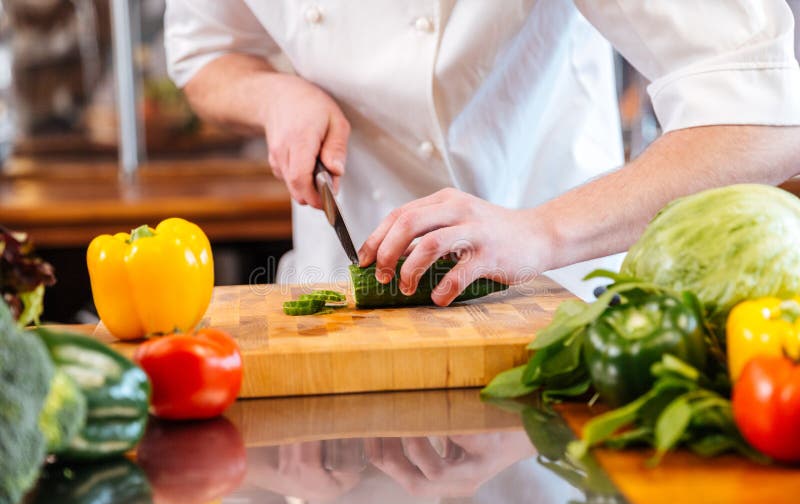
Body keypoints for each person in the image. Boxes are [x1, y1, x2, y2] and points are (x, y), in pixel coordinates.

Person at [165, 1, 800, 302]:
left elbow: (765, 116)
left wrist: (543, 232)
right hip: (343, 300)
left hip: (548, 301)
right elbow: (204, 55)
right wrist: (273, 96)